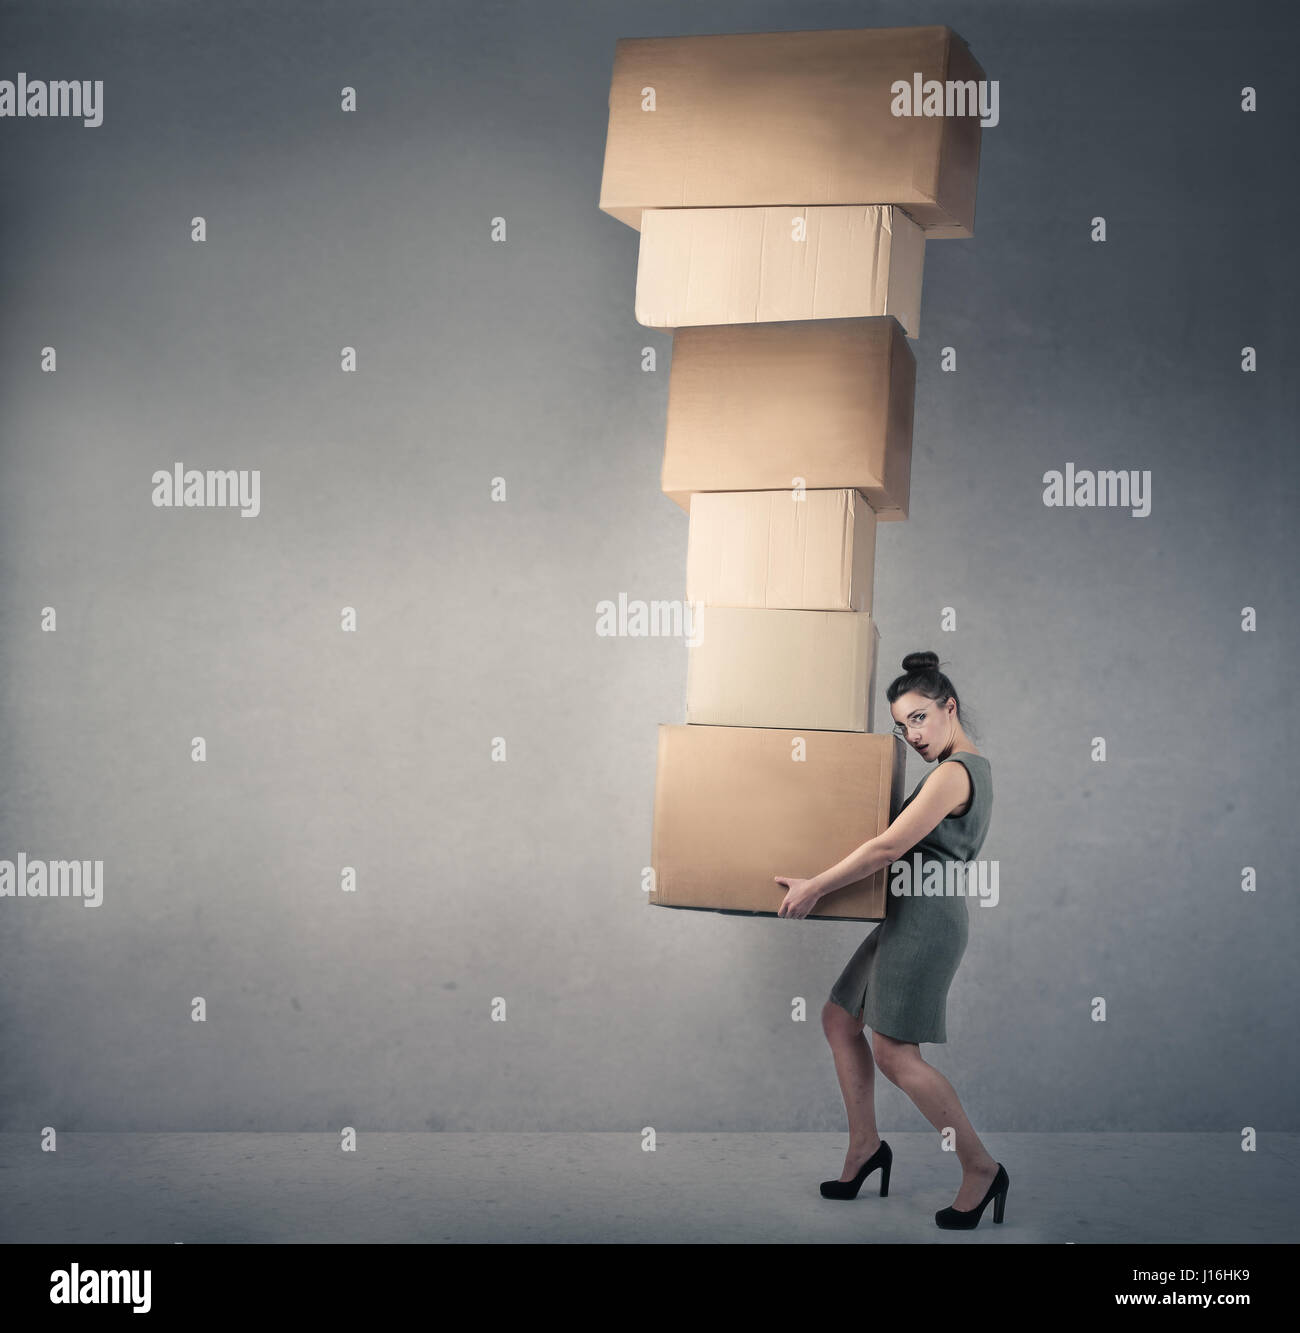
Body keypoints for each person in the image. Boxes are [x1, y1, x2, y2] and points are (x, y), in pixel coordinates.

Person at [774, 650, 1009, 1229]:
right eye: (902, 727)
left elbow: (885, 849)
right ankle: (865, 1148)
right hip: (905, 913)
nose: (912, 734)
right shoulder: (953, 770)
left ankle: (980, 1167)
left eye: (921, 718)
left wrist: (815, 888)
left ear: (948, 707)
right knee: (837, 1018)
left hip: (927, 921)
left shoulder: (956, 774)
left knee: (896, 1054)